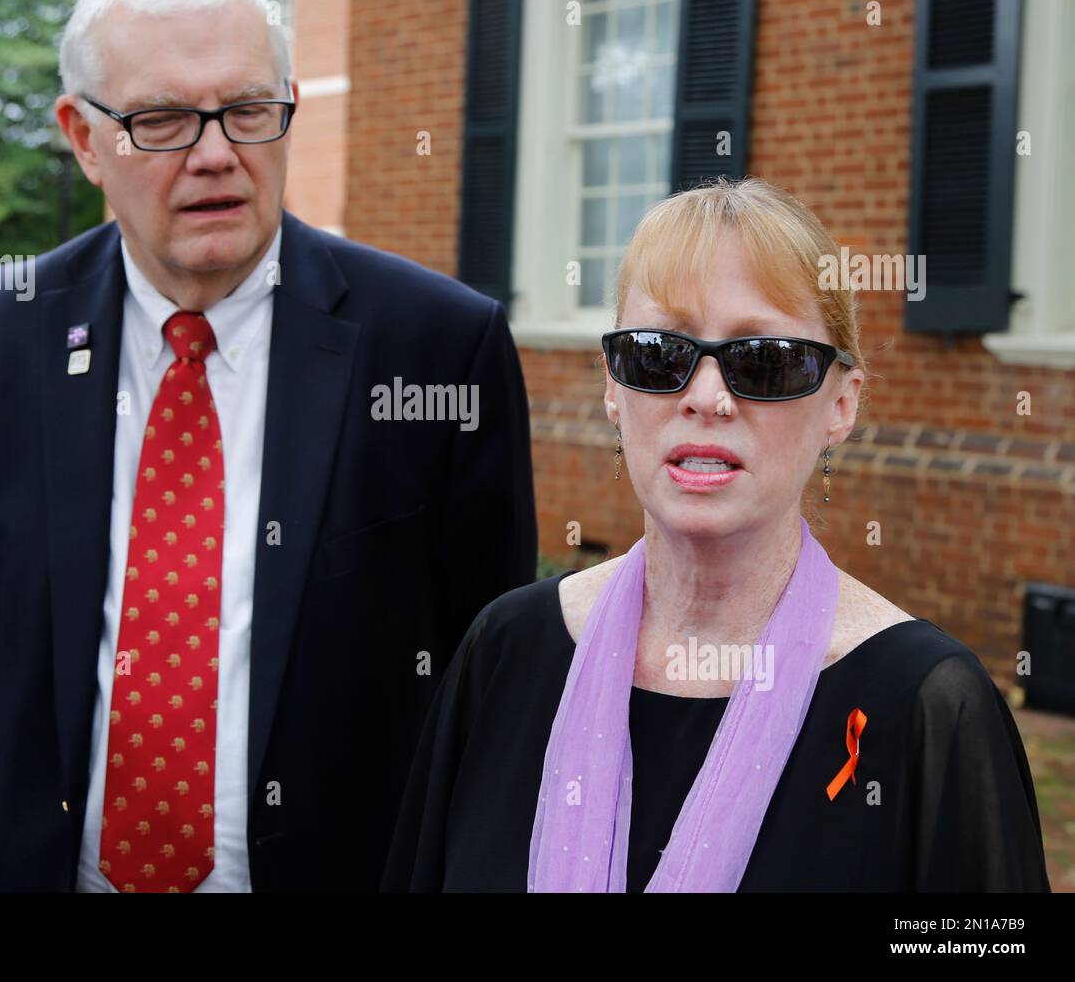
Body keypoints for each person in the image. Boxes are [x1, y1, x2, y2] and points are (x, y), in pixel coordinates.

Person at [0, 0, 537, 893]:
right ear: (83, 138)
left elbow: (480, 661)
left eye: (249, 110)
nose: (217, 153)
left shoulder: (435, 343)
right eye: (164, 119)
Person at [382, 178, 1050, 893]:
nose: (706, 396)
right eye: (659, 354)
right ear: (612, 386)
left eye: (763, 359)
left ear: (842, 404)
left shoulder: (927, 708)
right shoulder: (506, 653)